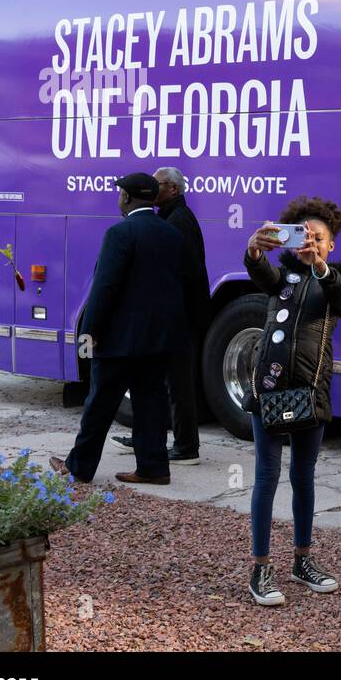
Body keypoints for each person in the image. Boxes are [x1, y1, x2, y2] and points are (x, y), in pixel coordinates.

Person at [242, 196, 341, 606]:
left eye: (318, 238)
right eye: (303, 236)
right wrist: (255, 249)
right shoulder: (283, 278)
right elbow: (260, 272)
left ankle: (302, 561)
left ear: (331, 246)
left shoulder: (335, 283)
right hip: (269, 392)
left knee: (303, 477)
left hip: (310, 394)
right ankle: (260, 568)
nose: (310, 242)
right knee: (266, 477)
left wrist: (321, 267)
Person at [52, 173, 188, 486]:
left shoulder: (119, 233)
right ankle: (154, 467)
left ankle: (78, 468)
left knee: (99, 404)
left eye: (119, 194)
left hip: (118, 341)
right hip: (158, 340)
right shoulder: (171, 234)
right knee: (151, 404)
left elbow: (105, 288)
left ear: (126, 198)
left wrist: (89, 332)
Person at [112, 166, 209, 463]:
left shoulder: (179, 221)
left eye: (159, 185)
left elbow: (185, 273)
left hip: (179, 316)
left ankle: (185, 447)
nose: (153, 190)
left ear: (174, 190)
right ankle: (149, 436)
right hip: (175, 314)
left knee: (179, 384)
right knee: (162, 381)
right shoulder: (170, 216)